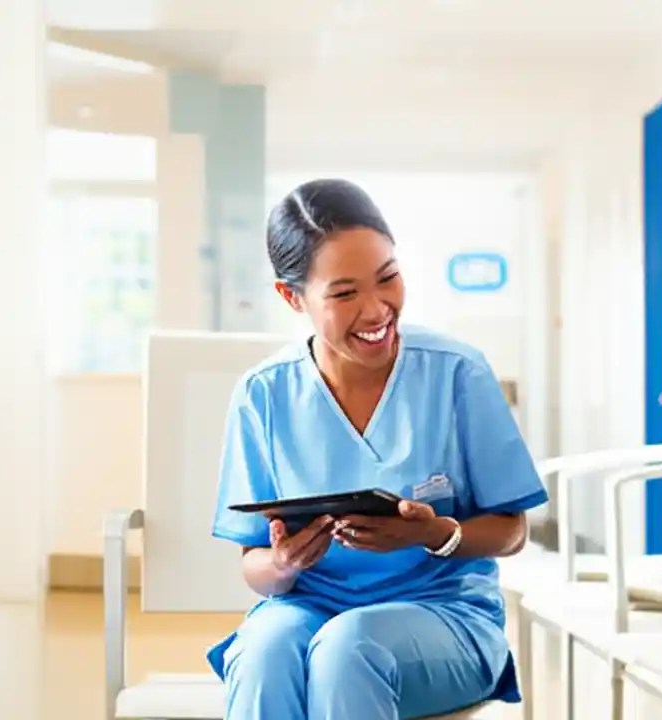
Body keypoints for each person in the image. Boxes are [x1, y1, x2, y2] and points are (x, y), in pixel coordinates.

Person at [205, 179, 548, 720]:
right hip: (308, 606)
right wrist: (284, 562)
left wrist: (433, 533)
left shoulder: (457, 372)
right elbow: (254, 565)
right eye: (344, 294)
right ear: (292, 297)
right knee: (264, 651)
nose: (377, 309)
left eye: (387, 278)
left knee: (349, 648)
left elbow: (512, 529)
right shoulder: (264, 394)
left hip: (444, 614)